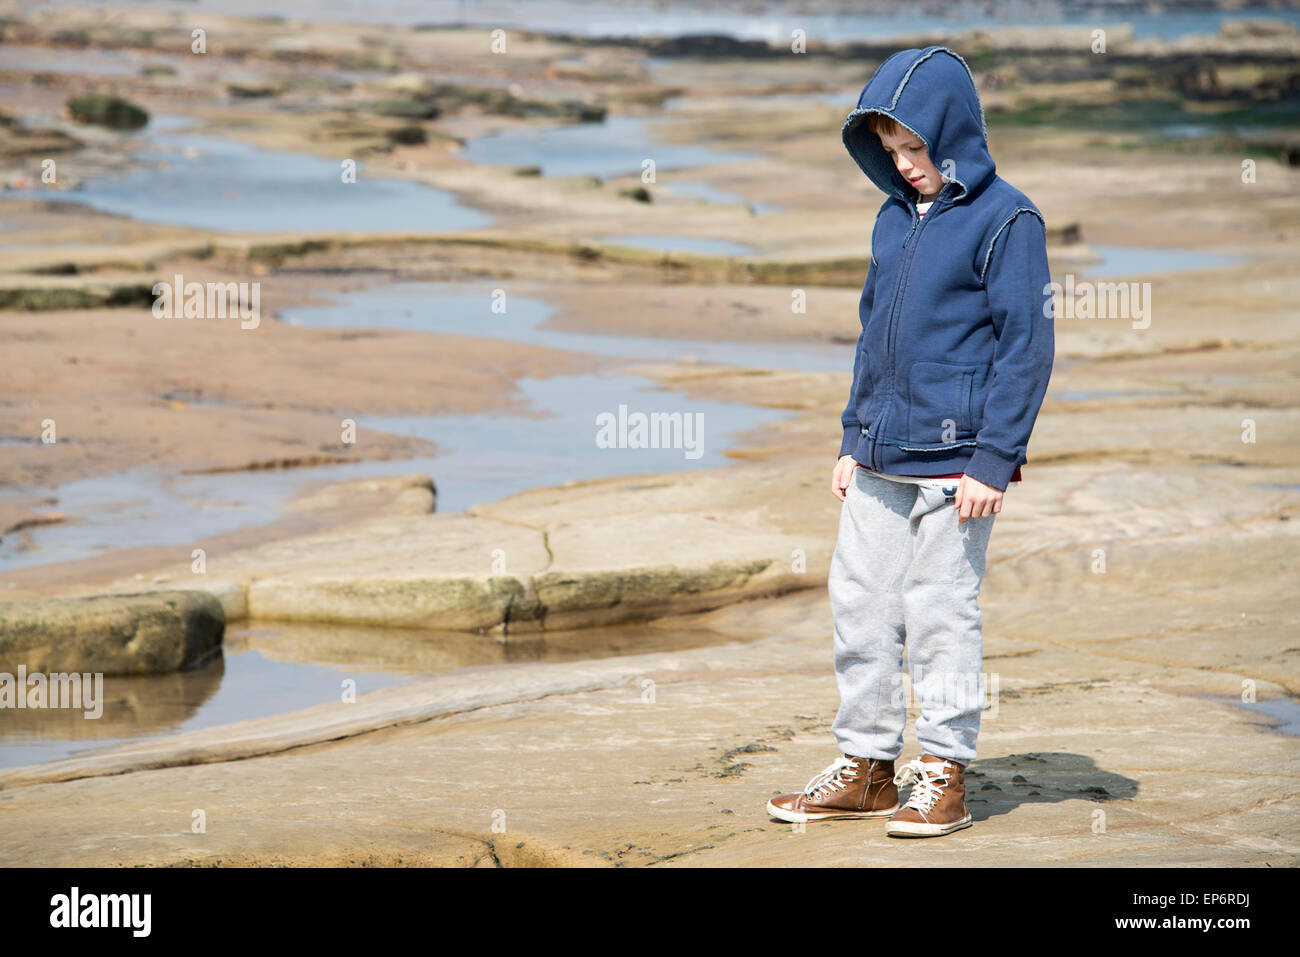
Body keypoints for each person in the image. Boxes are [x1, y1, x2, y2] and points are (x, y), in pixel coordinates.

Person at [767, 46, 1055, 838]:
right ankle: (865, 766)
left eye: (917, 148)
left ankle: (944, 773)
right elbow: (872, 334)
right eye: (891, 151)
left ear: (952, 132)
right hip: (880, 458)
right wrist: (853, 437)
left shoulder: (1009, 220)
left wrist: (995, 458)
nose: (906, 165)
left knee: (939, 613)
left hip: (959, 467)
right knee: (858, 603)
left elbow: (1025, 347)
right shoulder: (892, 218)